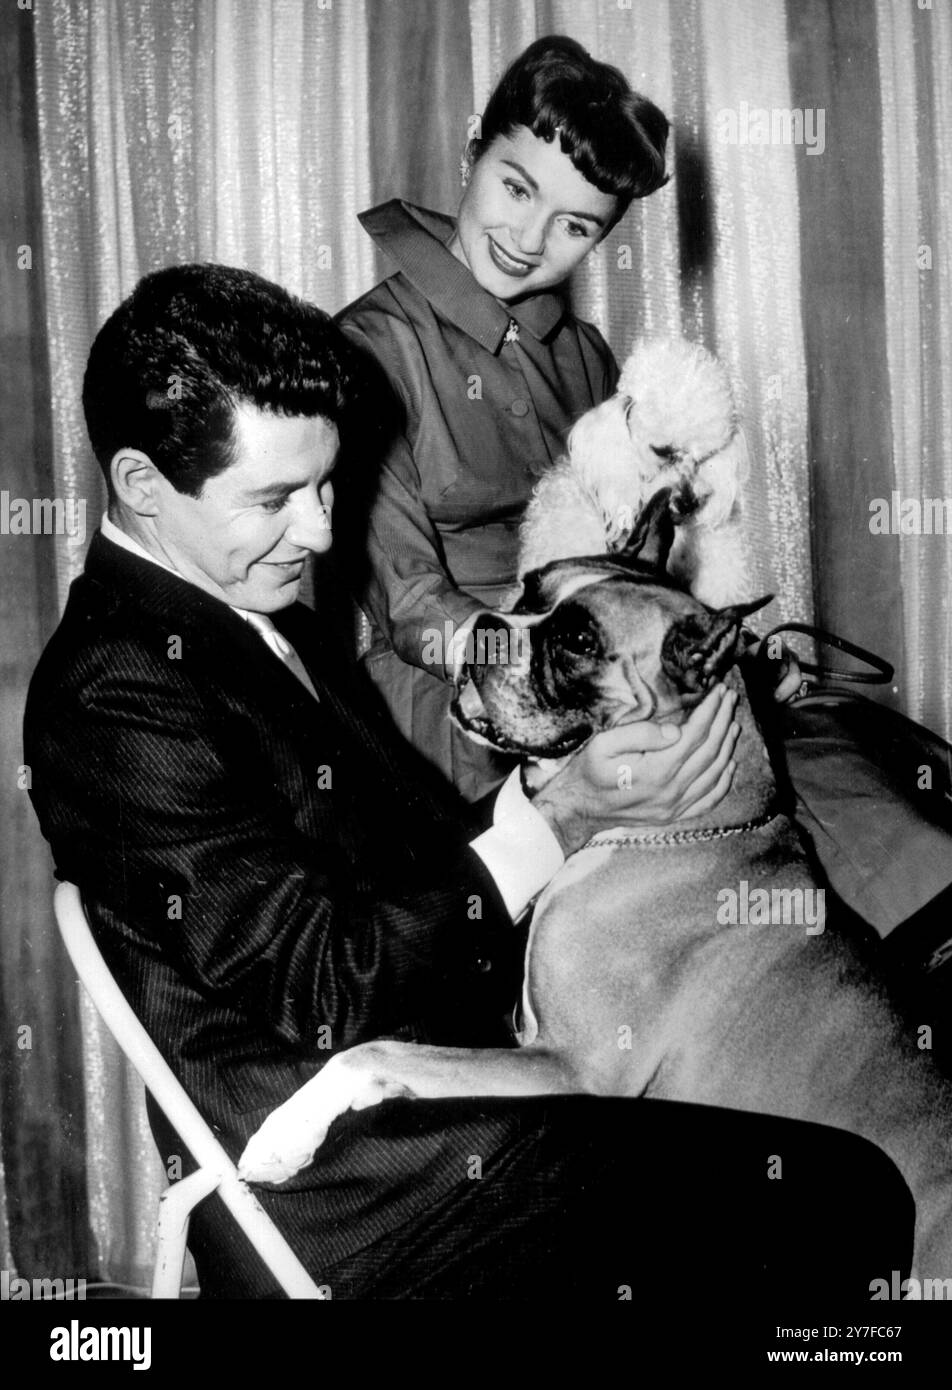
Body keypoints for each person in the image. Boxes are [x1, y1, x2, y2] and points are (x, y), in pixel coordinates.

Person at [24, 264, 911, 1300]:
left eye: (326, 484)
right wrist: (565, 811)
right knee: (842, 1188)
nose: (318, 532)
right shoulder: (116, 691)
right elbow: (323, 991)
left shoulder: (261, 616)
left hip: (433, 1092)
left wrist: (595, 800)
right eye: (272, 498)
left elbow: (426, 851)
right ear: (140, 485)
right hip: (351, 1180)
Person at [338, 36, 687, 800]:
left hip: (599, 672)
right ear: (472, 153)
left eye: (576, 226)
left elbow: (632, 555)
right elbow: (409, 605)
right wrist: (542, 673)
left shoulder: (587, 355)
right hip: (452, 705)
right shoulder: (368, 349)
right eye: (518, 188)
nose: (529, 242)